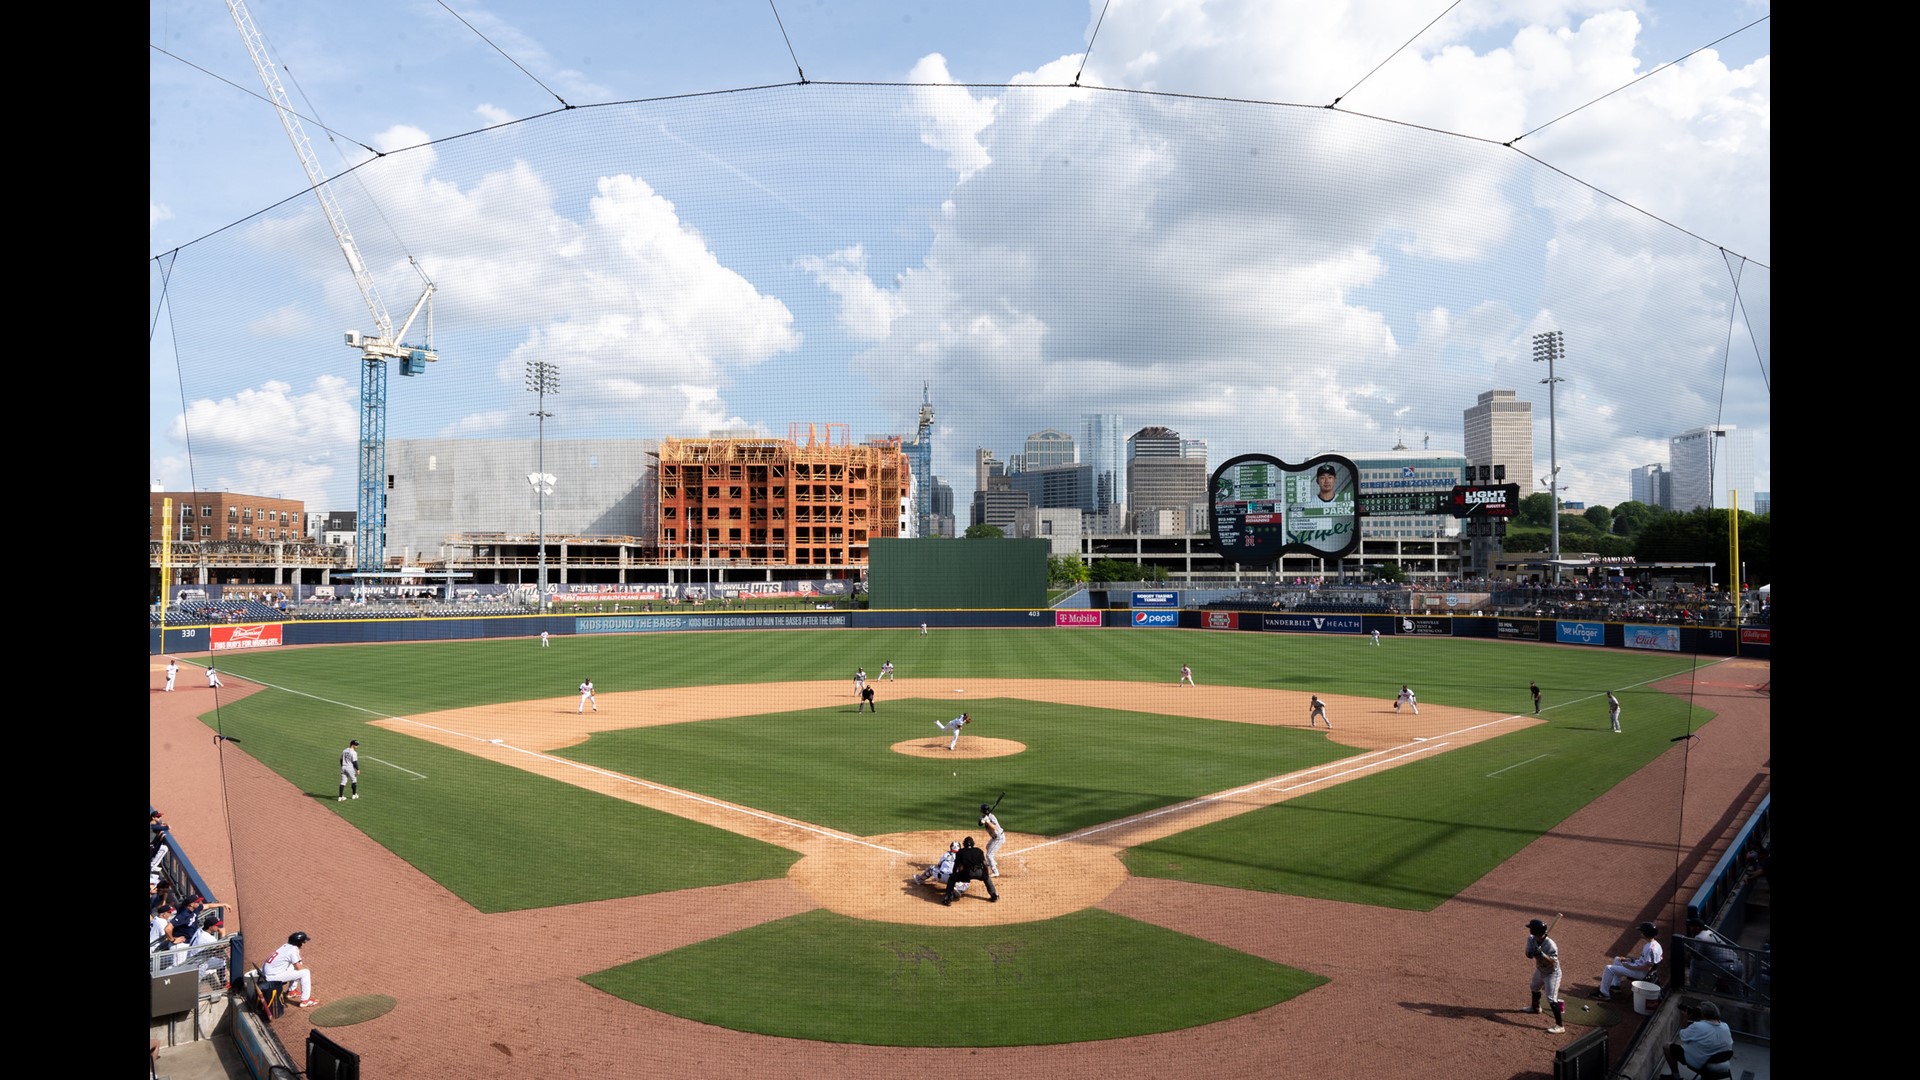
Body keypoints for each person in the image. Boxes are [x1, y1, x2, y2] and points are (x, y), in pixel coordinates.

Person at [1663, 1001, 1733, 1077]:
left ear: (1702, 1013)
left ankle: (1675, 1076)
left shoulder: (1699, 1026)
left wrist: (1684, 1018)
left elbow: (1683, 1036)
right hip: (1724, 1066)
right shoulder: (1725, 1026)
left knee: (1667, 1046)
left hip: (1705, 1066)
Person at [1596, 921, 1663, 1000]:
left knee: (1609, 968)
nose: (1640, 932)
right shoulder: (1653, 944)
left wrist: (1629, 967)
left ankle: (1604, 994)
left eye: (1642, 931)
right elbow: (1644, 960)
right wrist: (1630, 960)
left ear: (1646, 933)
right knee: (1618, 959)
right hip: (1640, 967)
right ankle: (1615, 986)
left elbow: (1647, 968)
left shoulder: (1651, 949)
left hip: (1643, 974)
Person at [1524, 918, 1567, 1034]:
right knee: (1534, 987)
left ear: (1534, 931)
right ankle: (1535, 1008)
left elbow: (1552, 961)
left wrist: (1542, 955)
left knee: (1551, 998)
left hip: (1552, 973)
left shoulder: (1550, 944)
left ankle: (1560, 1025)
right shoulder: (1531, 939)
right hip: (1540, 970)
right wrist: (1532, 953)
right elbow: (1528, 954)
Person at [1685, 916, 1746, 990]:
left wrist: (1690, 953)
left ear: (1697, 927)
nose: (1690, 928)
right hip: (1739, 965)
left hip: (1727, 967)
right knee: (1738, 993)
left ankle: (1693, 988)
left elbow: (1698, 956)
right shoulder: (1709, 932)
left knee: (1695, 963)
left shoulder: (1700, 937)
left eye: (1692, 926)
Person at [264, 931, 317, 1007]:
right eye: (302, 942)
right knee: (305, 973)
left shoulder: (286, 946)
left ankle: (291, 991)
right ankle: (305, 1001)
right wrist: (302, 973)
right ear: (298, 943)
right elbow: (299, 968)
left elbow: (297, 965)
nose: (303, 944)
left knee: (298, 966)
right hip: (272, 977)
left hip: (269, 973)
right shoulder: (292, 950)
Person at [943, 836, 998, 905]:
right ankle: (994, 896)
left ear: (963, 844)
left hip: (966, 873)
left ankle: (948, 899)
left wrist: (954, 875)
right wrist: (986, 874)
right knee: (987, 879)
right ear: (973, 844)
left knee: (951, 879)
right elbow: (984, 864)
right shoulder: (979, 850)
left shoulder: (960, 852)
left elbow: (956, 865)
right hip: (978, 872)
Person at [978, 803, 1005, 876]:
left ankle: (995, 872)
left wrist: (988, 822)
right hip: (994, 838)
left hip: (999, 838)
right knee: (988, 847)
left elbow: (994, 827)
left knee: (989, 855)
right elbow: (979, 824)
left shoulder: (992, 817)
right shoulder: (983, 816)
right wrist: (982, 821)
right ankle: (993, 862)